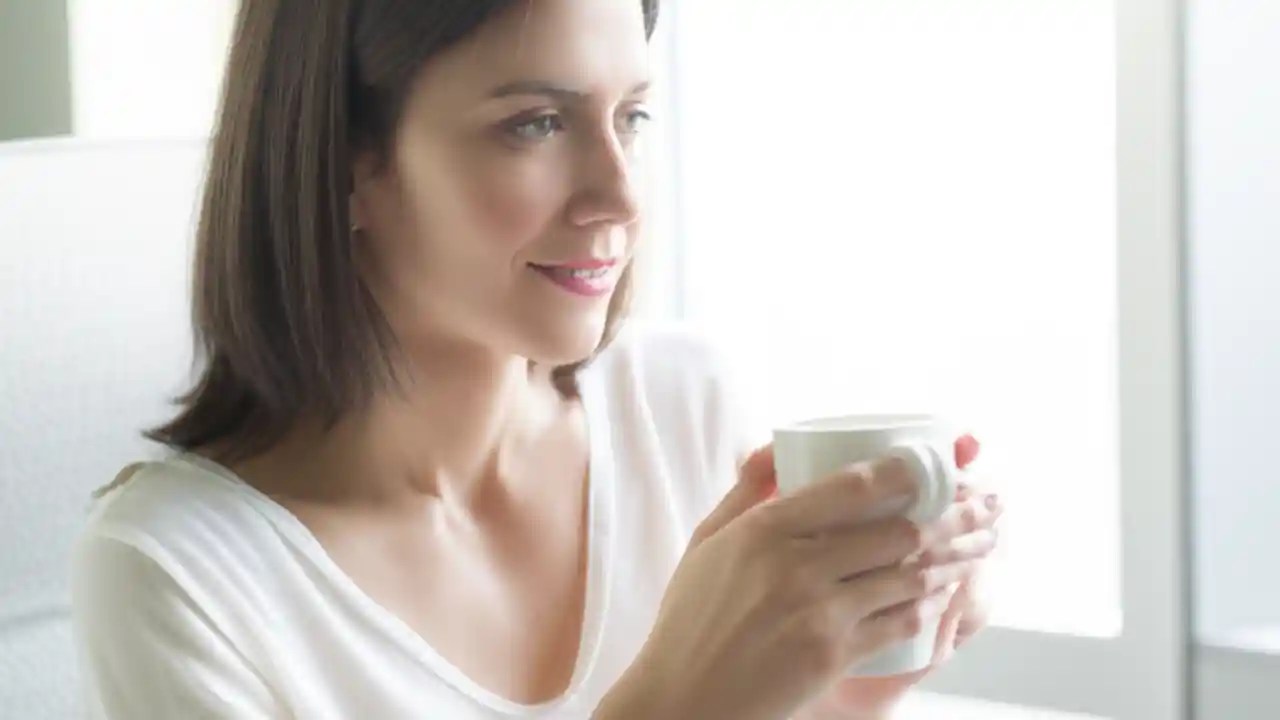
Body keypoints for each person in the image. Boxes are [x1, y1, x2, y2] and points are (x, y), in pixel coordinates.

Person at [71, 1, 1002, 718]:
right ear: (346, 163)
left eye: (631, 116)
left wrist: (839, 694)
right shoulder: (179, 576)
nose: (619, 195)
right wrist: (679, 702)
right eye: (536, 124)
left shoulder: (679, 406)